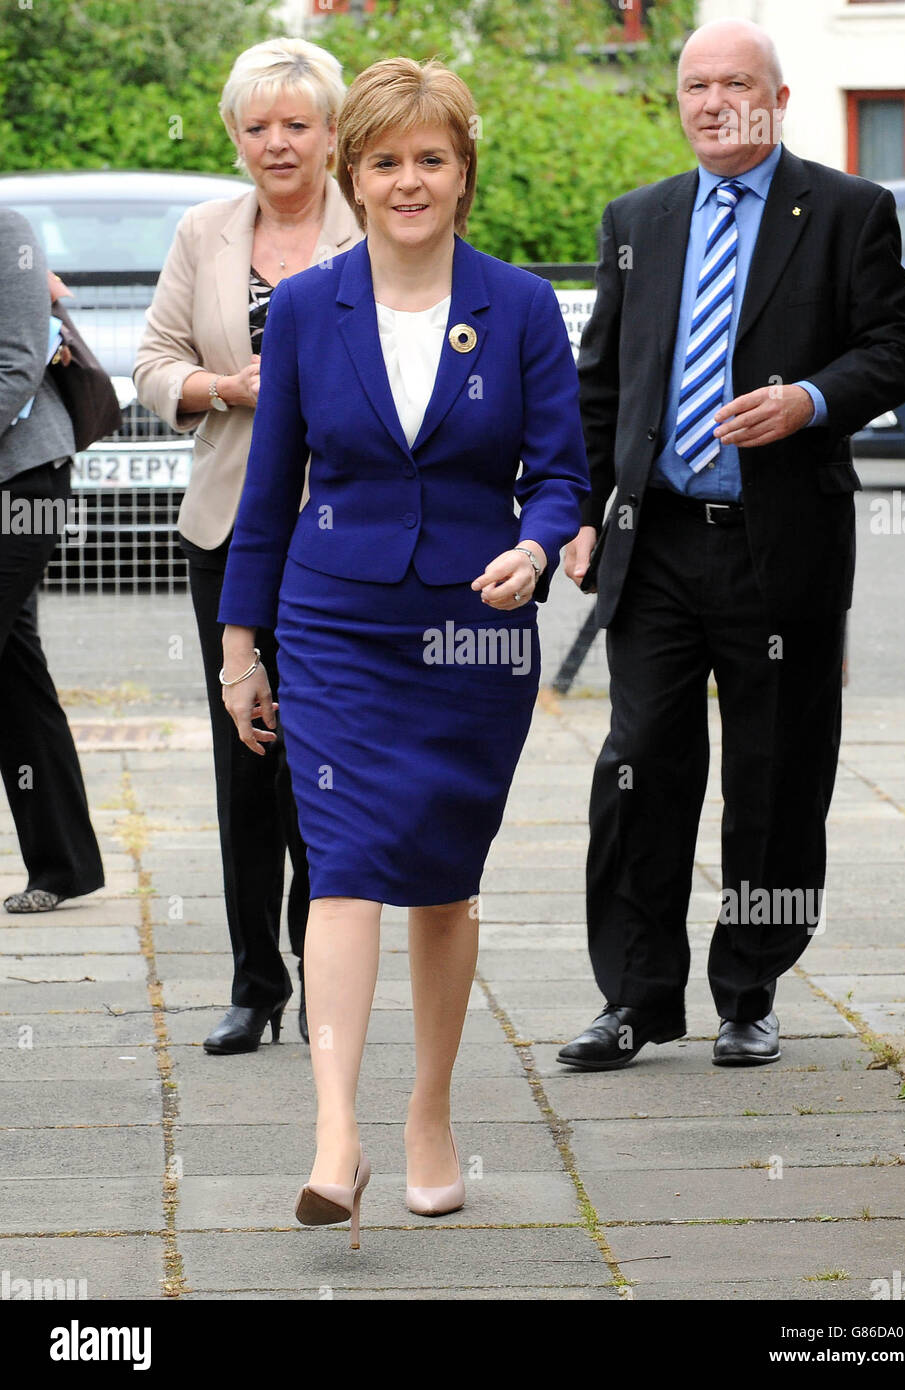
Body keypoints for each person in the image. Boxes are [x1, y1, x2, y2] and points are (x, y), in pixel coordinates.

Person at [217, 57, 589, 1245]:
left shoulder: (522, 305)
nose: (409, 179)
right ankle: (337, 1132)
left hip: (473, 634)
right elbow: (268, 493)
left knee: (441, 875)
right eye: (385, 160)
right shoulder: (311, 308)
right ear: (353, 174)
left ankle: (429, 1113)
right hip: (336, 626)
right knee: (344, 863)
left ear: (463, 174)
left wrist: (535, 551)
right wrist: (240, 647)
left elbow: (563, 475)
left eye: (432, 158)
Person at [559, 19, 905, 1072]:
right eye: (694, 86)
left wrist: (809, 399)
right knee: (639, 766)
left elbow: (894, 352)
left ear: (778, 96)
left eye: (735, 85)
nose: (713, 101)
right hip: (659, 543)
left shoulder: (849, 210)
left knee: (776, 777)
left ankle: (749, 987)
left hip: (782, 547)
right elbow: (602, 383)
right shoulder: (639, 219)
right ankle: (634, 998)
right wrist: (583, 512)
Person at [133, 38, 363, 1054]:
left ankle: (328, 977)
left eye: (297, 124)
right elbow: (151, 362)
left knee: (331, 758)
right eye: (258, 125)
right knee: (247, 752)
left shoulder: (376, 220)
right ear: (235, 135)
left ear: (330, 133)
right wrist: (224, 389)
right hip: (231, 525)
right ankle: (252, 981)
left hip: (352, 530)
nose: (278, 142)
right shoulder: (204, 230)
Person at [0, 208, 104, 914]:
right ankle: (63, 863)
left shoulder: (8, 230)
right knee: (14, 672)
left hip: (20, 481)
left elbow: (17, 363)